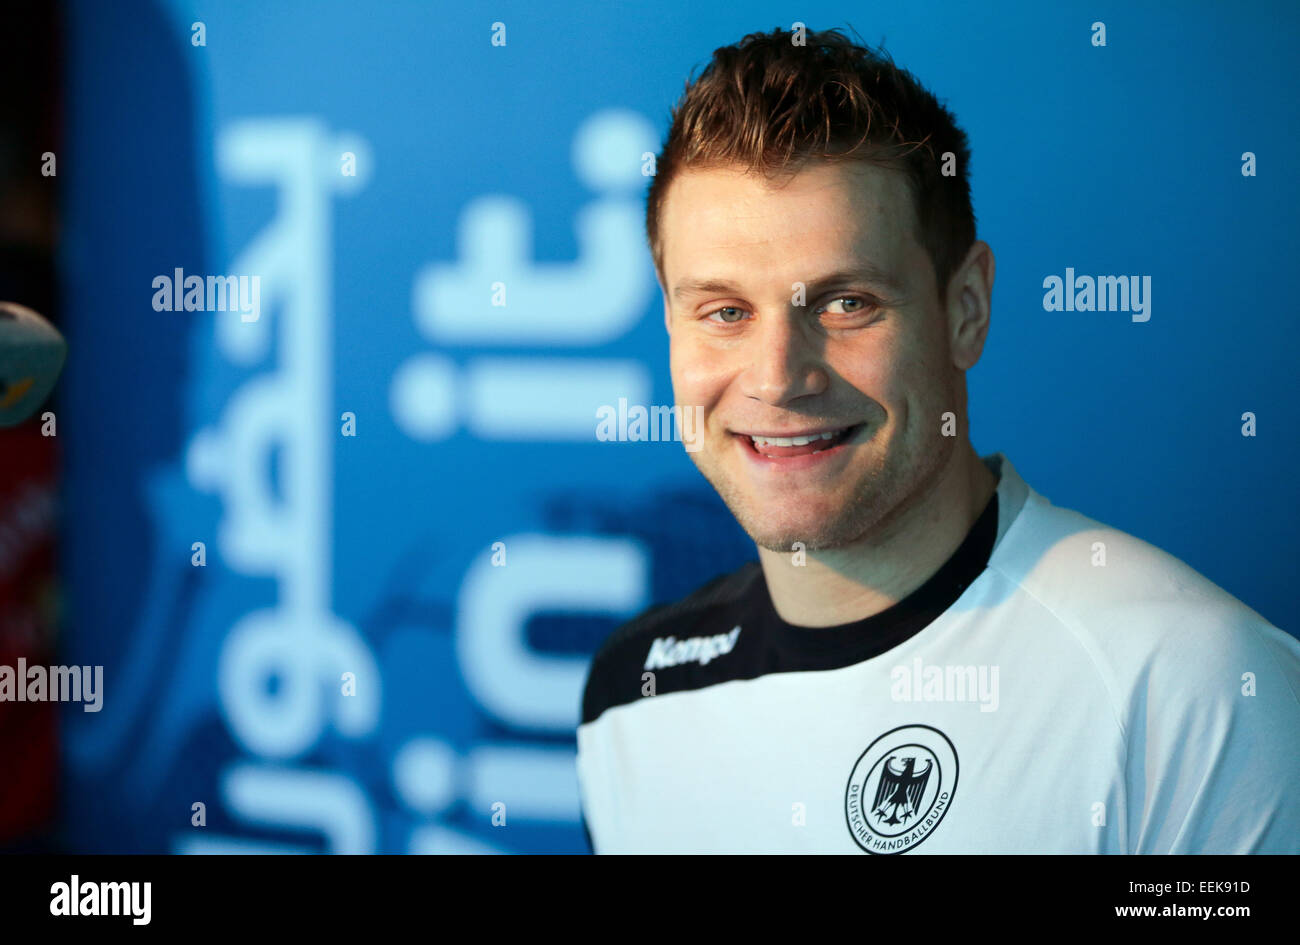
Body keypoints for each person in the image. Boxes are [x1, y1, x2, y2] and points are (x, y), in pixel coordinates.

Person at [575, 26, 1300, 854]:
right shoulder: (631, 697)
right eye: (725, 311)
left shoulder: (1190, 686)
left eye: (846, 303)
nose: (777, 378)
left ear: (966, 310)